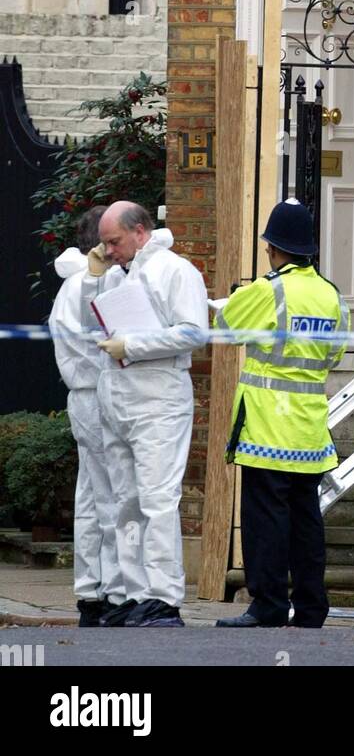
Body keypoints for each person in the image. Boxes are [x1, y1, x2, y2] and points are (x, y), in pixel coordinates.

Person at [214, 198, 349, 629]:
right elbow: (335, 354)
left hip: (267, 428)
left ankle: (268, 605)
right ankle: (311, 608)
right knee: (306, 522)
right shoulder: (330, 295)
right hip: (308, 430)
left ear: (273, 247)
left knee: (266, 523)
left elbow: (226, 327)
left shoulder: (268, 289)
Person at [83, 201, 209, 627]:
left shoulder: (176, 271)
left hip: (158, 400)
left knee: (156, 500)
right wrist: (96, 276)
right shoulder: (119, 273)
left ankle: (164, 595)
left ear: (139, 232)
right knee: (126, 503)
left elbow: (193, 332)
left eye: (113, 241)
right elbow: (92, 324)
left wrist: (132, 347)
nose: (109, 250)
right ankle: (133, 592)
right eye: (104, 244)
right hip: (121, 399)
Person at [49, 205, 124, 627]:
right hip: (98, 394)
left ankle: (90, 591)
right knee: (111, 496)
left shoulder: (72, 283)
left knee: (92, 497)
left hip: (83, 396)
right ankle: (110, 593)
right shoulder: (89, 285)